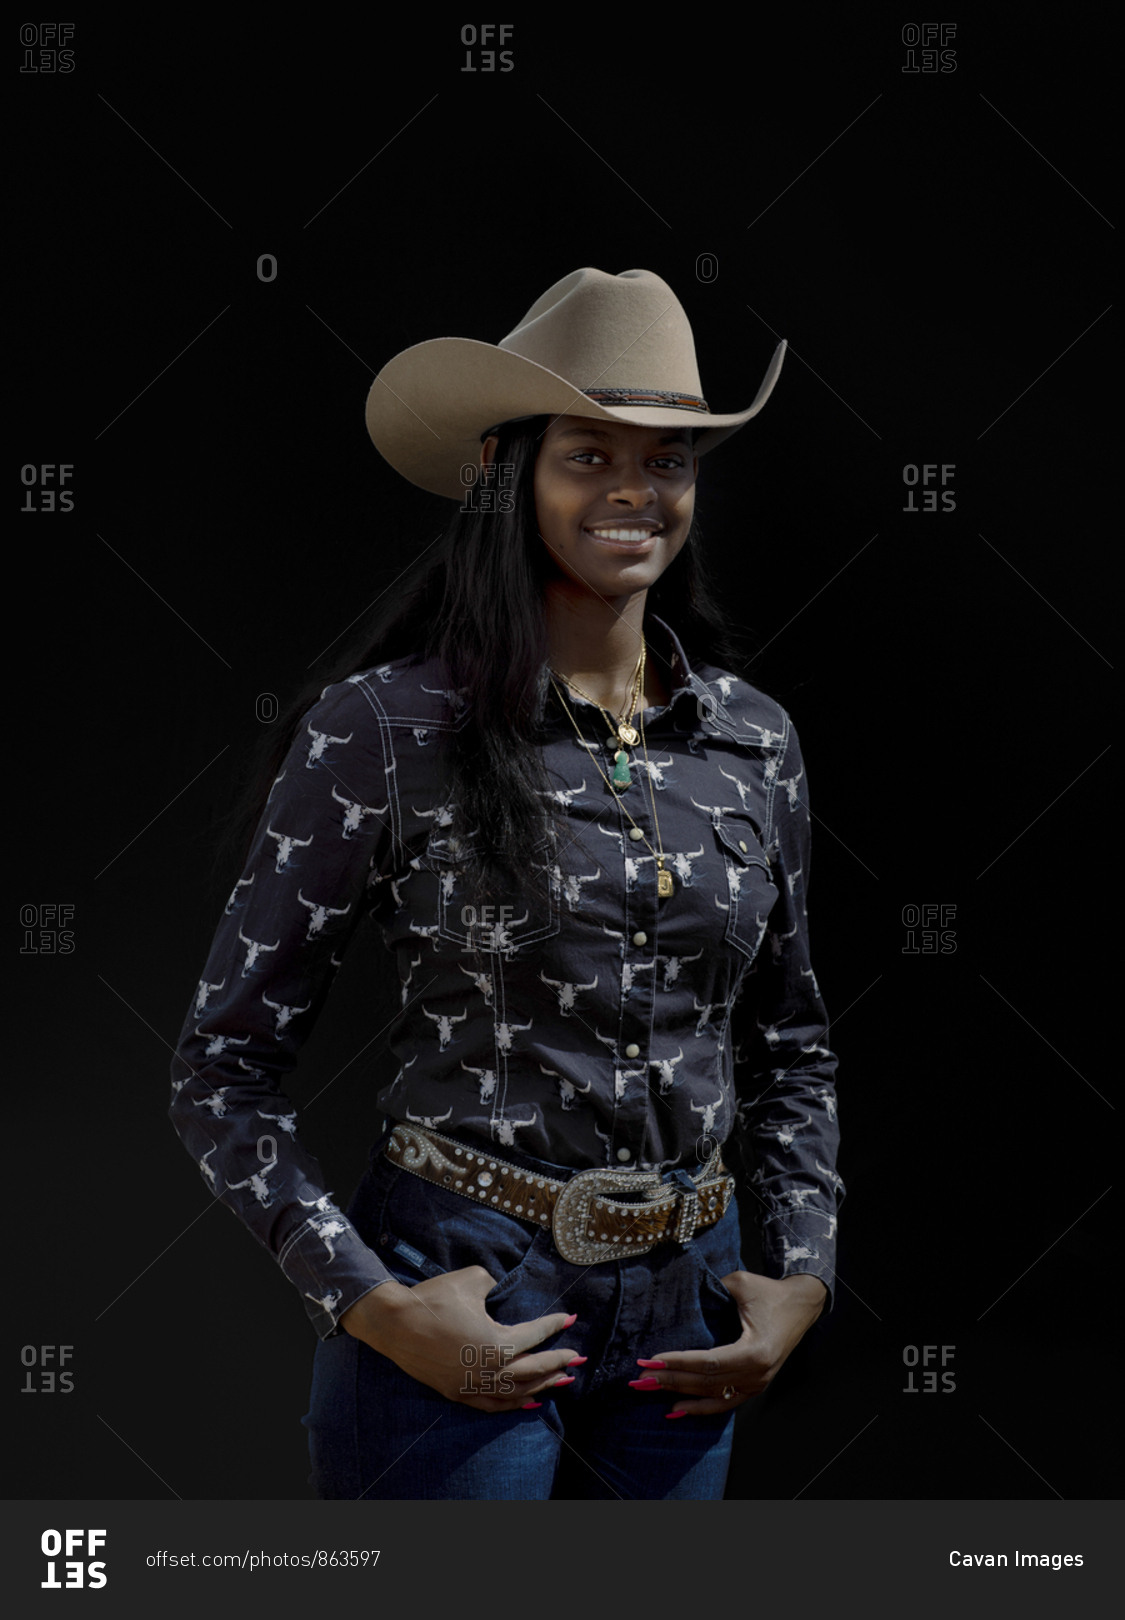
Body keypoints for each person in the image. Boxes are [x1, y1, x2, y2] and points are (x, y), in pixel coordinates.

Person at [169, 266, 844, 1501]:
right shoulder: (380, 730)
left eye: (671, 458)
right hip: (465, 1291)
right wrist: (371, 1307)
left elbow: (792, 1040)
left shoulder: (755, 741)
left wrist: (802, 1274)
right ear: (511, 471)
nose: (637, 489)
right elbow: (219, 1073)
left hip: (690, 1319)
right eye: (591, 454)